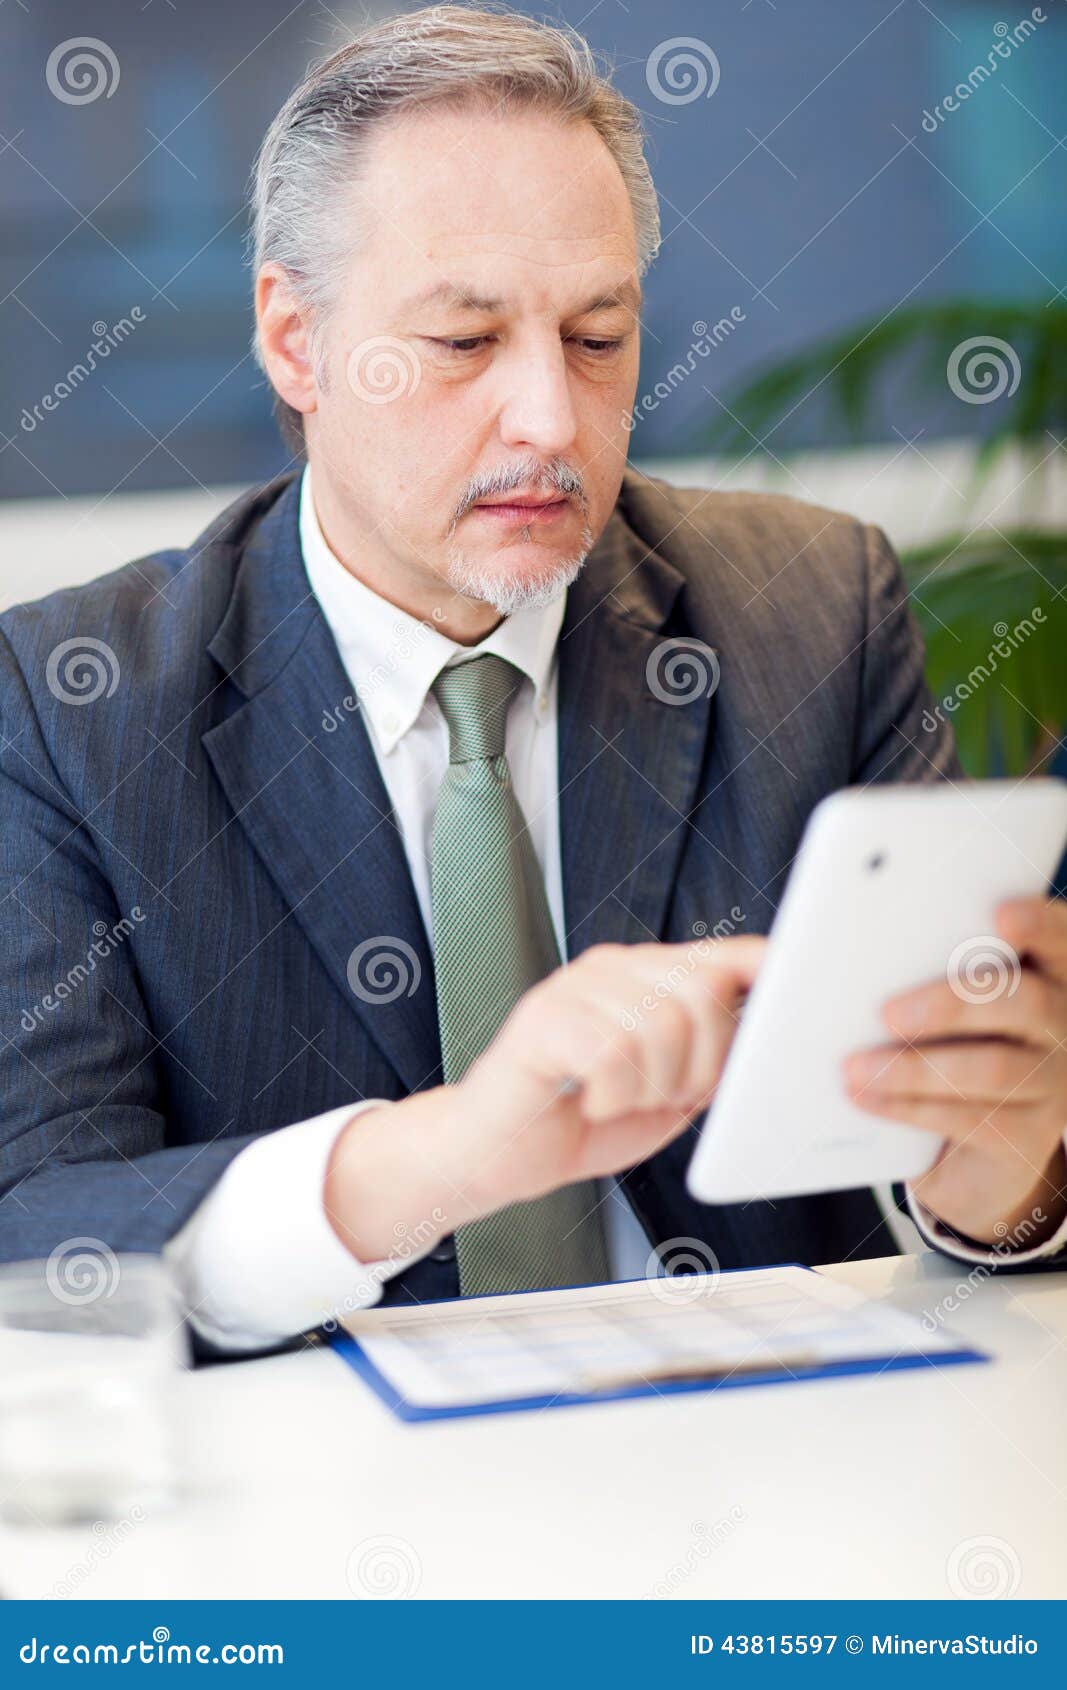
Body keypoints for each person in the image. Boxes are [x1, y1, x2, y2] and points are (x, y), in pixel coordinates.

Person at [1, 5, 1064, 1358]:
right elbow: (40, 1235)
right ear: (295, 340)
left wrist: (1007, 1174)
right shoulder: (67, 706)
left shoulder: (815, 609)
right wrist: (454, 1149)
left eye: (598, 337)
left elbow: (962, 1188)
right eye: (464, 342)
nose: (552, 420)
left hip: (776, 1437)